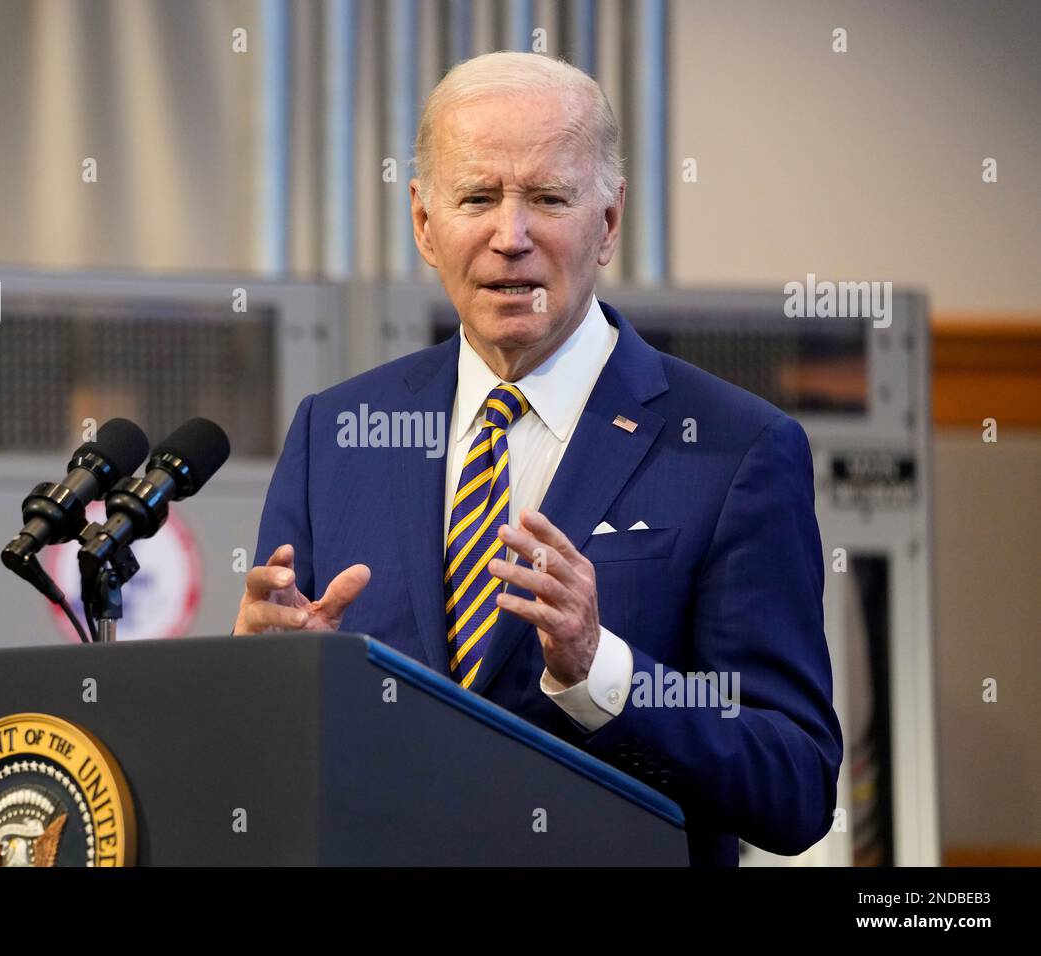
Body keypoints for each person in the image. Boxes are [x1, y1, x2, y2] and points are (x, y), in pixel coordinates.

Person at [235, 51, 842, 866]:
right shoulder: (334, 431)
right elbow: (270, 774)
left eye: (549, 198)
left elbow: (795, 785)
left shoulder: (737, 450)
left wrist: (603, 669)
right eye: (477, 197)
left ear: (609, 223)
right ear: (423, 222)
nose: (510, 237)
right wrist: (268, 680)